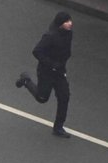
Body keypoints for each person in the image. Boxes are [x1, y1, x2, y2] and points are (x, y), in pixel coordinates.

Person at [16, 11, 73, 139]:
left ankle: (58, 127)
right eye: (66, 21)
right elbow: (37, 51)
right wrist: (51, 64)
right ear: (60, 24)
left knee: (64, 97)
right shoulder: (50, 36)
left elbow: (66, 51)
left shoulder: (69, 34)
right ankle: (26, 80)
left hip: (59, 72)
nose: (70, 23)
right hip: (46, 72)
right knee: (42, 98)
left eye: (70, 20)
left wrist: (62, 64)